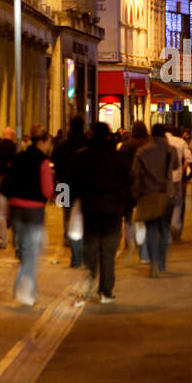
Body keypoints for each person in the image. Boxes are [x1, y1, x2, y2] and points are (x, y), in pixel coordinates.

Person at [70, 122, 130, 305]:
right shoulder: (118, 157)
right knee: (109, 251)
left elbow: (71, 182)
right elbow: (128, 183)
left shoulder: (82, 156)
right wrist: (127, 207)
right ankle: (106, 291)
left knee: (91, 246)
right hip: (113, 209)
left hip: (90, 208)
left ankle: (89, 280)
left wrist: (72, 203)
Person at [3, 127, 55, 305]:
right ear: (42, 142)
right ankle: (22, 287)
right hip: (34, 210)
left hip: (15, 207)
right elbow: (47, 190)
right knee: (32, 252)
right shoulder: (43, 161)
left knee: (24, 250)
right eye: (48, 142)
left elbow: (7, 182)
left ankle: (31, 289)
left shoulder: (18, 157)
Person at [131, 123, 178, 277]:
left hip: (148, 194)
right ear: (165, 134)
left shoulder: (142, 151)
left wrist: (135, 194)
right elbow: (175, 167)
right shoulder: (171, 150)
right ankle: (162, 263)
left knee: (151, 230)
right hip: (167, 194)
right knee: (164, 230)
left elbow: (135, 175)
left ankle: (153, 265)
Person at [52, 117, 89, 266]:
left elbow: (54, 164)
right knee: (84, 214)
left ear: (69, 126)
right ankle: (82, 240)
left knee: (67, 213)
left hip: (64, 184)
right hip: (84, 185)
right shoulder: (87, 143)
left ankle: (68, 237)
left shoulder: (62, 145)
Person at [117, 121, 151, 260]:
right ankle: (143, 242)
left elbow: (119, 165)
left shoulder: (126, 146)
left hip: (128, 184)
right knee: (144, 216)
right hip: (147, 184)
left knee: (128, 215)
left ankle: (129, 241)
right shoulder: (150, 145)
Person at [165, 125, 192, 242]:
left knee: (165, 205)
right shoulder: (180, 141)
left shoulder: (156, 143)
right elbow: (189, 158)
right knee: (178, 202)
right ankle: (175, 224)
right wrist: (183, 168)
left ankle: (166, 233)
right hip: (177, 177)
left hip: (163, 179)